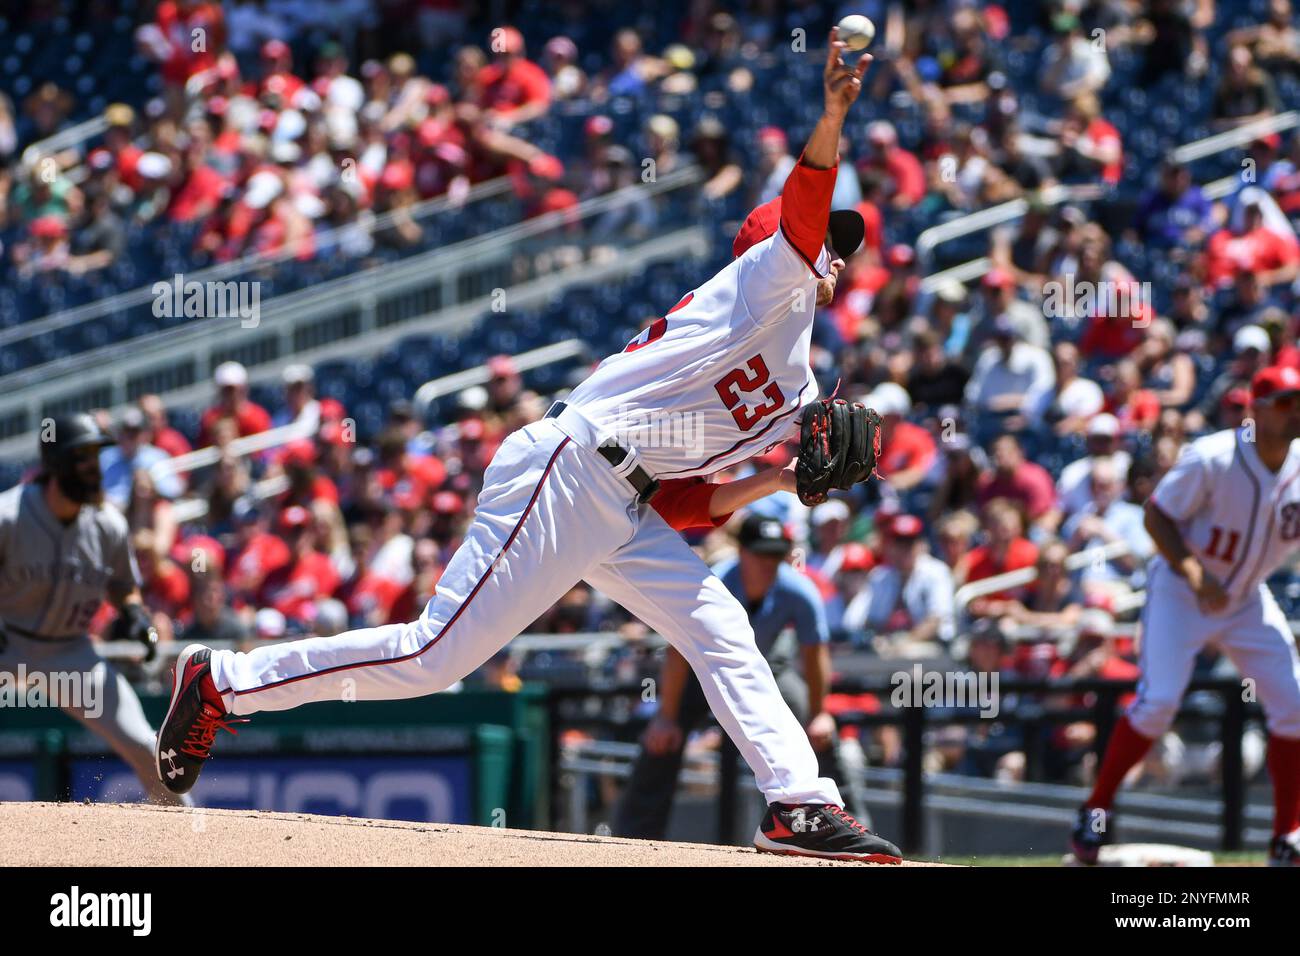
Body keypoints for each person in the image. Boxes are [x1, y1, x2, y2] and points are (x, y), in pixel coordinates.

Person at [154, 33, 902, 863]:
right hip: (568, 465)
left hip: (620, 501)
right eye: (829, 241)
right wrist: (832, 115)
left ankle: (795, 805)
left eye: (844, 246)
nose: (837, 252)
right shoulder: (766, 283)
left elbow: (684, 501)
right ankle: (224, 682)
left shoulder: (798, 394)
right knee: (436, 657)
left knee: (720, 622)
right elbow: (801, 211)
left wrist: (780, 480)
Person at [1071, 366, 1300, 867]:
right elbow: (1156, 516)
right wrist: (1196, 575)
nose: (1295, 410)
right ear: (1256, 410)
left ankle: (1286, 837)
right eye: (1284, 402)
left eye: (1298, 400)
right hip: (1181, 590)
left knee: (1295, 702)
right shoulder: (1214, 456)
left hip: (1245, 598)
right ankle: (1095, 810)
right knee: (1158, 704)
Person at [614, 515, 856, 840]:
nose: (768, 563)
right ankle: (633, 837)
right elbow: (677, 648)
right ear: (741, 551)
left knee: (818, 732)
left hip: (770, 668)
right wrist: (666, 715)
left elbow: (814, 653)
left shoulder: (798, 588)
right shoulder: (716, 578)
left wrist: (819, 713)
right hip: (701, 667)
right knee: (661, 736)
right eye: (760, 554)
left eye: (775, 555)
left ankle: (842, 825)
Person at [0, 415, 189, 807]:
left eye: (96, 456)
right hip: (7, 645)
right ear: (55, 464)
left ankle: (189, 839)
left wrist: (135, 612)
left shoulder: (107, 524)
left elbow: (122, 584)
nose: (93, 467)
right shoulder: (9, 516)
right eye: (82, 456)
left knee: (144, 744)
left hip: (70, 655)